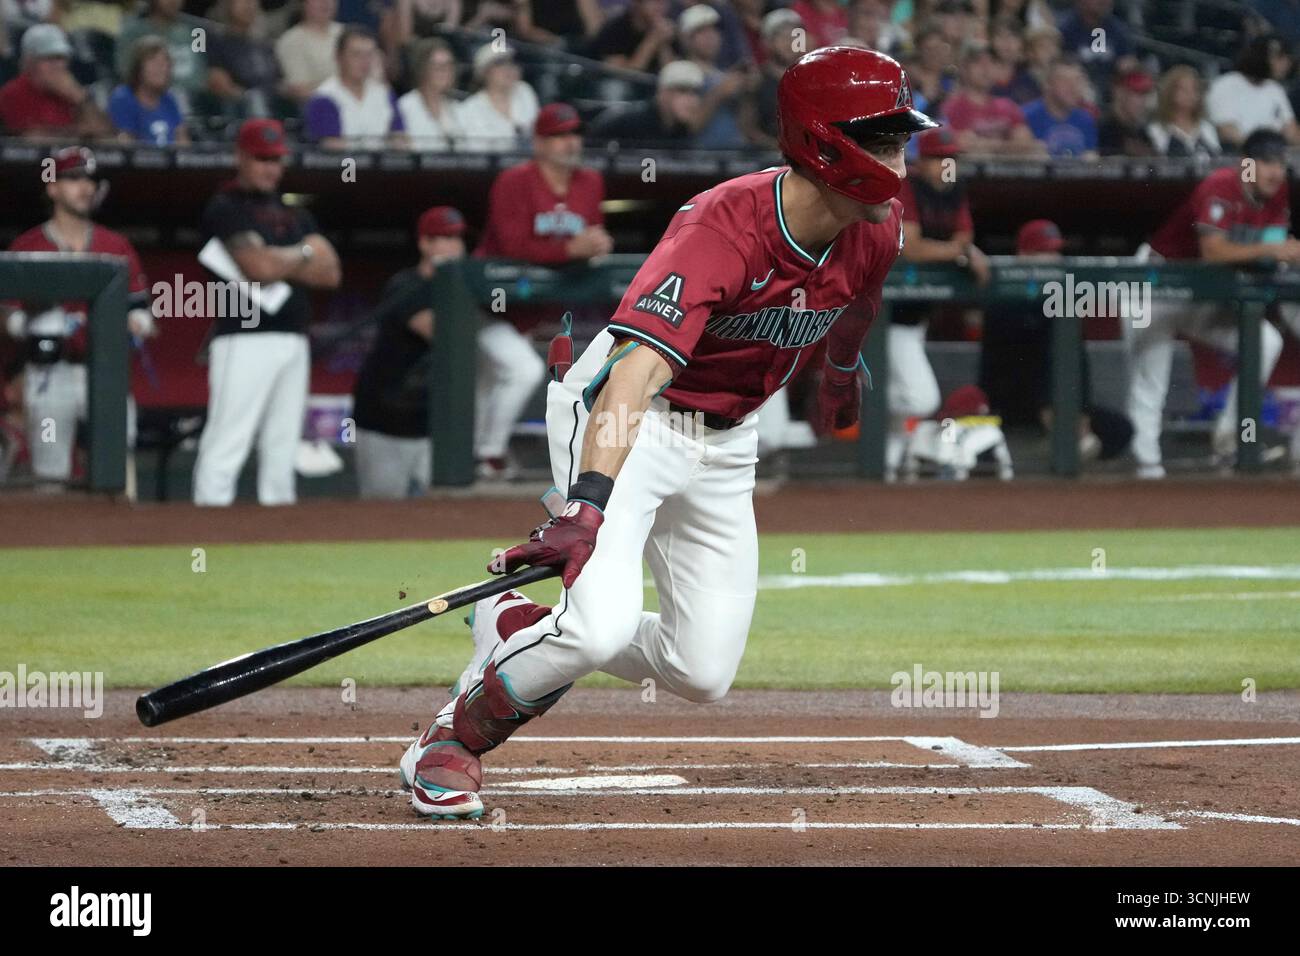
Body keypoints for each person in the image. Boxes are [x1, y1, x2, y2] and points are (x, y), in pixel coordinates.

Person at [396, 47, 939, 819]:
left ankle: (516, 621)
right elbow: (636, 375)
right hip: (630, 417)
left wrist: (841, 372)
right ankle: (452, 739)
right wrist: (585, 506)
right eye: (882, 140)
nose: (900, 160)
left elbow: (858, 303)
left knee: (702, 670)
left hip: (728, 440)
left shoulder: (876, 229)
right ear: (825, 145)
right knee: (595, 634)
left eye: (901, 139)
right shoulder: (724, 225)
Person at [1125, 129, 1300, 479]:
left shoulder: (1277, 195)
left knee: (1265, 342)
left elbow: (1272, 255)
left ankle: (1229, 439)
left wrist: (1285, 256)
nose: (1275, 172)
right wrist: (1273, 250)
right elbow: (1214, 251)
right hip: (1157, 284)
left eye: (1280, 164)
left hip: (1202, 296)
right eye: (1266, 162)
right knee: (1150, 379)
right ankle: (1146, 468)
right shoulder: (1220, 185)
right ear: (1245, 164)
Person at [192, 119, 342, 506]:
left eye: (276, 159)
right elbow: (259, 268)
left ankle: (279, 530)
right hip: (243, 336)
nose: (270, 168)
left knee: (282, 444)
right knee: (228, 441)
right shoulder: (225, 206)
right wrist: (303, 253)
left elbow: (331, 273)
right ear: (240, 157)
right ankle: (205, 528)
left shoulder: (294, 211)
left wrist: (281, 259)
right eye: (261, 159)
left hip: (293, 337)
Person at [474, 102, 610, 479]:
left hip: (531, 308)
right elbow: (512, 245)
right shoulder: (514, 181)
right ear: (538, 143)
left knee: (492, 383)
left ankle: (477, 459)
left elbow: (589, 238)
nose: (570, 142)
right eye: (558, 135)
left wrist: (596, 245)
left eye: (574, 134)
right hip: (486, 304)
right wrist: (570, 249)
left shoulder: (590, 182)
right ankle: (489, 454)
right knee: (520, 370)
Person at [4, 147, 153, 486]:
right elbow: (7, 312)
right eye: (72, 178)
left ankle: (120, 521)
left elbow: (140, 309)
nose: (84, 187)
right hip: (48, 377)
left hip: (105, 373)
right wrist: (24, 325)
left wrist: (138, 323)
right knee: (49, 469)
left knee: (116, 465)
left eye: (89, 179)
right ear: (52, 187)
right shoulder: (28, 246)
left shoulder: (115, 245)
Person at [979, 219, 1133, 462]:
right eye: (1044, 252)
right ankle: (1057, 446)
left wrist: (1080, 409)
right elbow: (1017, 365)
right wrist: (1050, 407)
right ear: (1023, 256)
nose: (1053, 259)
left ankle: (1061, 447)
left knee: (1119, 429)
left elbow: (1078, 360)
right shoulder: (1004, 296)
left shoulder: (1062, 297)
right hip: (1014, 400)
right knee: (1044, 354)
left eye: (1055, 252)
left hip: (1060, 400)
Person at [889, 126, 990, 481]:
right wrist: (960, 253)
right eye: (938, 159)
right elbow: (912, 248)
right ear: (921, 163)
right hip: (879, 316)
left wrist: (963, 249)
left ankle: (888, 467)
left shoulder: (955, 191)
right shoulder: (905, 187)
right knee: (921, 400)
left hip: (914, 317)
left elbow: (965, 236)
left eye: (952, 159)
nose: (947, 166)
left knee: (907, 401)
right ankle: (859, 403)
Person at [352, 206, 467, 499]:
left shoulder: (462, 290)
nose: (454, 246)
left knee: (446, 508)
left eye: (457, 238)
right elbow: (442, 333)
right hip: (386, 420)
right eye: (444, 238)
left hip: (432, 424)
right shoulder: (406, 285)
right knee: (384, 508)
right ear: (425, 243)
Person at [0, 23, 112, 137]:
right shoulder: (13, 93)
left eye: (61, 58)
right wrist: (79, 133)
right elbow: (32, 138)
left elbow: (104, 134)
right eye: (49, 59)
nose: (58, 66)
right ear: (28, 62)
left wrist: (81, 99)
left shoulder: (72, 92)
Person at [303, 27, 405, 149]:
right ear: (339, 57)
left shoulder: (385, 94)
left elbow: (400, 139)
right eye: (356, 54)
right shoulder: (324, 98)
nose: (364, 61)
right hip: (344, 161)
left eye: (369, 54)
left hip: (383, 160)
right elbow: (332, 149)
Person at [941, 45, 1044, 155]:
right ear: (964, 69)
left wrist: (982, 144)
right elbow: (961, 144)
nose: (986, 69)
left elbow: (1025, 142)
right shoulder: (952, 107)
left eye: (991, 62)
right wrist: (1008, 145)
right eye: (978, 63)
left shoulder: (1007, 106)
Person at [1206, 34, 1299, 149]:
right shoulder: (1226, 85)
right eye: (1279, 57)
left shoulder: (1275, 89)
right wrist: (1263, 152)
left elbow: (1292, 132)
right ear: (1260, 56)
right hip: (1237, 155)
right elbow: (1227, 132)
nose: (1286, 63)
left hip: (1273, 154)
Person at [678, 3, 747, 149]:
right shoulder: (680, 74)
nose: (710, 37)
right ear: (686, 39)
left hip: (735, 153)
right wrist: (718, 93)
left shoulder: (725, 75)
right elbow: (689, 126)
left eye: (713, 30)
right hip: (701, 156)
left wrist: (748, 94)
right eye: (701, 32)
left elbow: (744, 127)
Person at [590, 59, 705, 146]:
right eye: (683, 91)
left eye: (695, 93)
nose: (692, 100)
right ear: (663, 93)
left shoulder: (682, 131)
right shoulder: (628, 122)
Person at [453, 42, 539, 152]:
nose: (508, 69)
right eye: (500, 64)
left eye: (511, 62)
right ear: (484, 72)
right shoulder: (468, 109)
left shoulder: (525, 91)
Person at [115, 0, 209, 100]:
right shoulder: (133, 33)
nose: (173, 1)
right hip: (149, 101)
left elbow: (201, 76)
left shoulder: (191, 33)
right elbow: (126, 73)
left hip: (192, 101)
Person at [207, 0, 284, 119]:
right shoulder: (216, 42)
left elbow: (279, 82)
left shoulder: (265, 46)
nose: (249, 5)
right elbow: (219, 83)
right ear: (228, 5)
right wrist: (249, 98)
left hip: (274, 110)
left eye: (253, 1)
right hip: (239, 114)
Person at [108, 36, 191, 145]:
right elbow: (126, 143)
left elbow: (182, 141)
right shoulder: (123, 98)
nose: (161, 68)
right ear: (138, 67)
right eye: (153, 62)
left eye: (165, 62)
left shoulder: (169, 99)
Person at [740, 7, 804, 148]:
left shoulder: (808, 80)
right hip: (766, 155)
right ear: (767, 42)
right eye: (782, 36)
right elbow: (748, 130)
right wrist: (777, 147)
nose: (789, 42)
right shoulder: (757, 81)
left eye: (795, 37)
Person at [395, 36, 463, 149]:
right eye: (439, 67)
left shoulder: (457, 108)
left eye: (449, 65)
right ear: (422, 69)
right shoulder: (404, 107)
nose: (446, 72)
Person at [1022, 58, 1097, 158]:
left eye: (1077, 80)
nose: (1073, 87)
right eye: (1064, 81)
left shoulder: (1085, 119)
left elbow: (1091, 155)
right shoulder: (1025, 117)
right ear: (1047, 84)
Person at [275, 0, 344, 105]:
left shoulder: (346, 33)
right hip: (319, 107)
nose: (325, 2)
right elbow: (300, 89)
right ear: (304, 3)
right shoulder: (292, 41)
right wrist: (347, 91)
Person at [1146, 65, 1220, 158]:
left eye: (1194, 89)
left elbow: (1216, 159)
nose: (1190, 94)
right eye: (1183, 89)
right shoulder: (1156, 129)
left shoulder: (1206, 128)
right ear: (1170, 92)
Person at [1057, 0, 1136, 85]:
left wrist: (1128, 64)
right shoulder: (1065, 28)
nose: (1104, 2)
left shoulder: (1118, 29)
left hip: (1111, 85)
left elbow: (1128, 58)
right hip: (1076, 86)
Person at [588, 0, 676, 73]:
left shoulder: (666, 29)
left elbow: (671, 75)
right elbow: (623, 76)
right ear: (637, 3)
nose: (660, 7)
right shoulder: (616, 28)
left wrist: (663, 44)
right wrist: (652, 41)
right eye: (654, 1)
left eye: (664, 2)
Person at [1097, 67, 1155, 156]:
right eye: (1136, 93)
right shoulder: (1102, 130)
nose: (1142, 102)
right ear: (1119, 92)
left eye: (1144, 94)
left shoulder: (1141, 133)